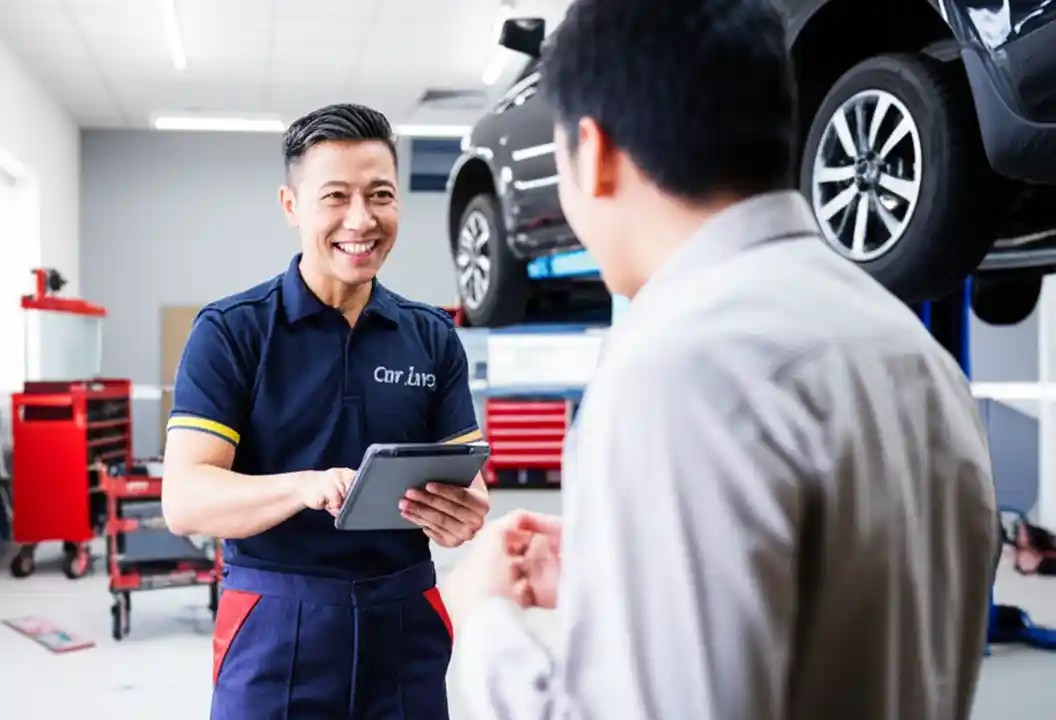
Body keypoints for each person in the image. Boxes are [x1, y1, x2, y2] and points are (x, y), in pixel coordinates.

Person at [440, 1, 1000, 718]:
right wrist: (626, 578)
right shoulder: (916, 357)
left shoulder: (675, 370)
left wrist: (481, 620)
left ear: (595, 151)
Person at [160, 102, 490, 719]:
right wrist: (306, 487)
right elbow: (184, 500)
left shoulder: (432, 337)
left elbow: (467, 477)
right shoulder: (234, 332)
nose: (360, 219)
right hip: (275, 623)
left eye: (380, 194)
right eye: (335, 196)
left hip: (405, 620)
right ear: (292, 206)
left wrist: (464, 513)